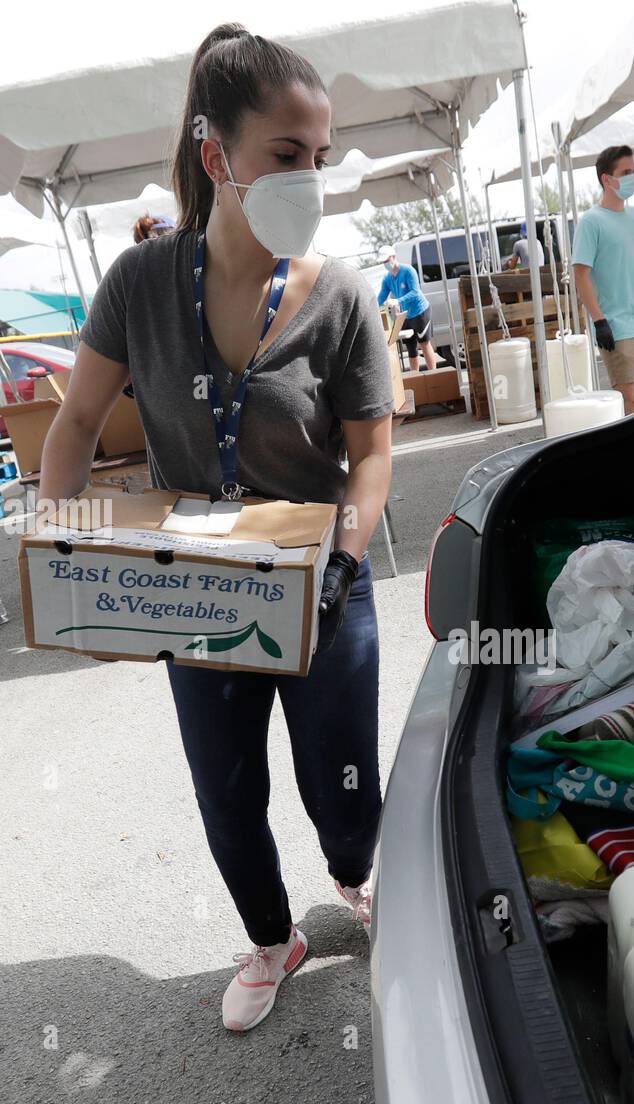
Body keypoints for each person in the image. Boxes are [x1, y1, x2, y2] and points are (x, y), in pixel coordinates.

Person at [38, 23, 395, 1032]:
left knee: (342, 780)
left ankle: (359, 881)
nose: (307, 177)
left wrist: (345, 558)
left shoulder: (342, 301)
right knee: (226, 792)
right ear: (217, 157)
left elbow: (369, 456)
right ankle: (270, 934)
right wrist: (72, 565)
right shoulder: (141, 284)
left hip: (321, 571)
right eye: (285, 156)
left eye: (318, 158)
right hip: (196, 575)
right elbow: (71, 420)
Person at [572, 145, 634, 413]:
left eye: (633, 171)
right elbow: (580, 273)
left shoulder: (632, 216)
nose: (632, 177)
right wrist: (599, 321)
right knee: (627, 399)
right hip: (616, 325)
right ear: (606, 179)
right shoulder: (591, 222)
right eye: (626, 172)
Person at [376, 244, 438, 372]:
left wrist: (398, 300)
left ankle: (434, 374)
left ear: (393, 257)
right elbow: (381, 298)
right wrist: (373, 308)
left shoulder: (408, 270)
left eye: (387, 260)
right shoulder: (387, 278)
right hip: (405, 315)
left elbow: (415, 292)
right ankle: (414, 377)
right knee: (411, 348)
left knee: (424, 344)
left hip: (420, 312)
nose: (385, 264)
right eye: (383, 262)